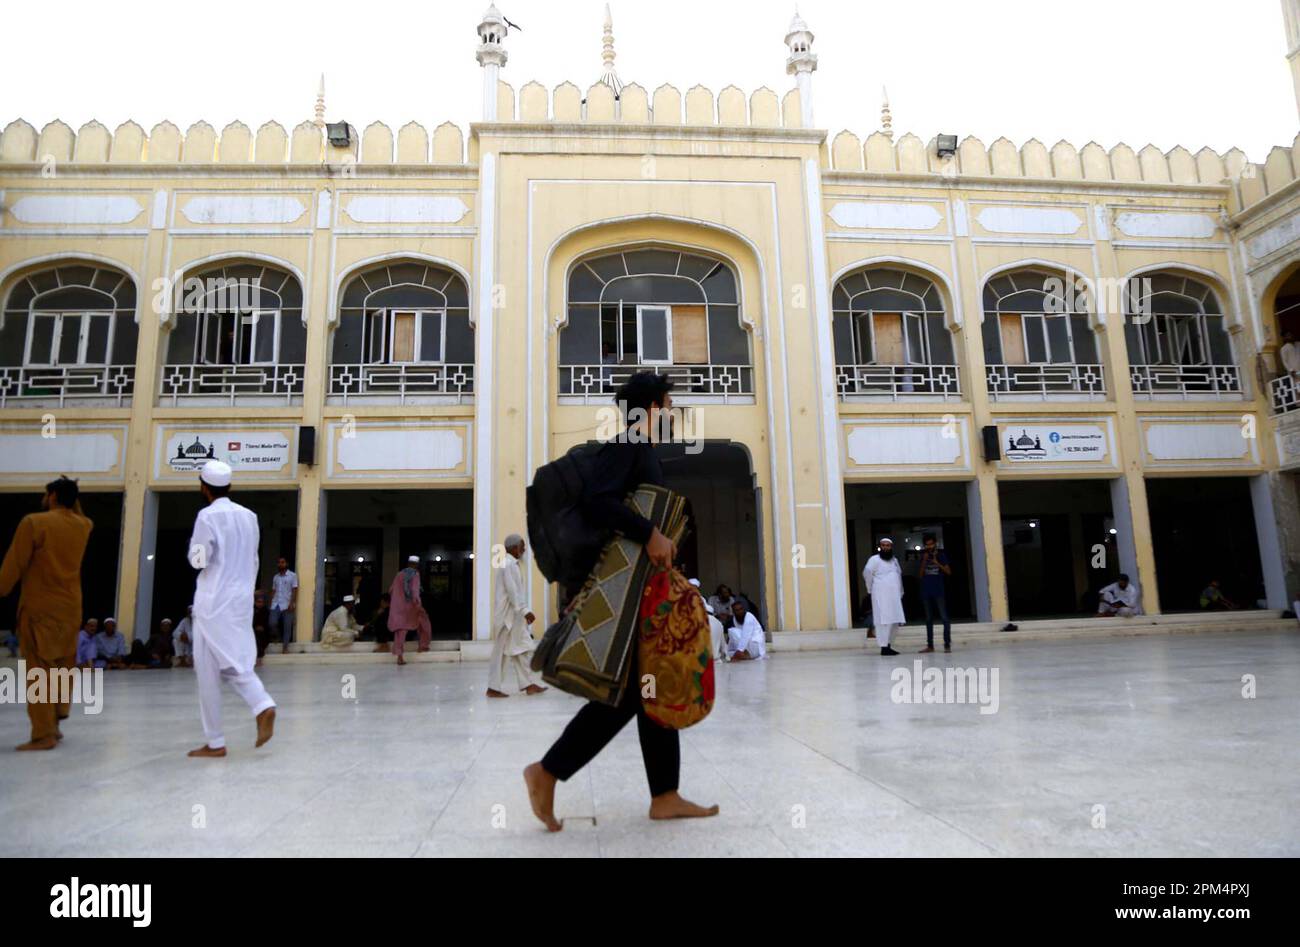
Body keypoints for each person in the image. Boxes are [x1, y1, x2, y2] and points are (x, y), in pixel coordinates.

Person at [524, 371, 718, 831]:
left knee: (652, 682)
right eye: (668, 403)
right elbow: (599, 501)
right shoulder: (627, 444)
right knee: (636, 691)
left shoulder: (640, 448)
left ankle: (664, 795)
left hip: (642, 584)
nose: (671, 412)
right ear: (651, 407)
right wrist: (649, 532)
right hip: (628, 588)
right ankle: (548, 771)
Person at [185, 460, 276, 758]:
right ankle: (215, 742)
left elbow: (199, 560)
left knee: (221, 667)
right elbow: (253, 558)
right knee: (219, 664)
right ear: (229, 486)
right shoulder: (249, 516)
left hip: (212, 601)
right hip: (240, 601)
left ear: (203, 487)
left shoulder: (207, 516)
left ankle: (261, 705)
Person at [0, 476, 94, 750]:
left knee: (39, 670)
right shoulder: (84, 525)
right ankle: (55, 720)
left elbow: (14, 563)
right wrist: (69, 494)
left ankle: (43, 734)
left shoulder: (34, 523)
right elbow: (78, 513)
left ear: (51, 496)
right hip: (71, 607)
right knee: (64, 665)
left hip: (40, 607)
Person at [486, 534, 547, 697]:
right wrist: (526, 611)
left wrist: (522, 611)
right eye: (522, 546)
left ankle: (528, 684)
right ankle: (493, 688)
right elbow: (512, 592)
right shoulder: (508, 564)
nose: (524, 549)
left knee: (522, 649)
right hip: (507, 618)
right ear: (513, 548)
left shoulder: (511, 564)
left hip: (515, 616)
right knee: (501, 654)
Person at [863, 537, 905, 656]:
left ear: (891, 547)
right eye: (883, 545)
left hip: (895, 596)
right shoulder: (874, 559)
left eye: (888, 545)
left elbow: (899, 576)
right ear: (880, 547)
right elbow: (867, 574)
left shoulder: (894, 560)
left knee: (894, 620)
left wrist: (901, 591)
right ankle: (883, 646)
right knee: (883, 621)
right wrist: (870, 588)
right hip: (880, 595)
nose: (886, 547)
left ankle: (889, 645)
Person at [388, 556, 432, 666]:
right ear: (417, 564)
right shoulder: (415, 574)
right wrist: (418, 604)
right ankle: (423, 646)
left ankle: (400, 656)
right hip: (412, 606)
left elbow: (391, 590)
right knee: (424, 623)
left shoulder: (399, 574)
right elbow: (414, 591)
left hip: (398, 607)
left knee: (401, 631)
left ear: (408, 563)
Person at [917, 534, 952, 653]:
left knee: (944, 617)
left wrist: (937, 563)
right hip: (926, 590)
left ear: (935, 543)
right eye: (927, 545)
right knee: (928, 619)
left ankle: (947, 644)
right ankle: (930, 645)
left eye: (931, 544)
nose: (929, 546)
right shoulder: (923, 556)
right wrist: (925, 560)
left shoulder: (941, 555)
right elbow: (920, 575)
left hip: (938, 590)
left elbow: (948, 572)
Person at [269, 556, 298, 654]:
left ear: (286, 564)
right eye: (279, 562)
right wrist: (271, 601)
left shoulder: (292, 576)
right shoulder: (275, 577)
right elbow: (273, 590)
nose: (280, 564)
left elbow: (294, 590)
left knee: (287, 627)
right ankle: (278, 637)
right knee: (272, 623)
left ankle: (285, 648)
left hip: (287, 604)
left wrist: (292, 603)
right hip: (276, 604)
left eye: (282, 562)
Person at [252, 589, 270, 666]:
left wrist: (262, 627)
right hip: (253, 630)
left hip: (264, 631)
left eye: (261, 602)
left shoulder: (266, 610)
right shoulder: (251, 609)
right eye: (258, 602)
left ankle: (259, 658)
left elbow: (266, 622)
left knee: (260, 637)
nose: (260, 604)